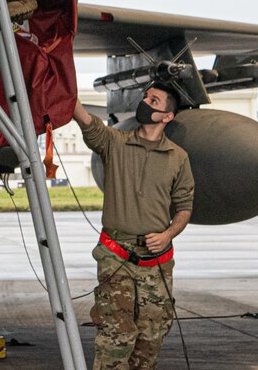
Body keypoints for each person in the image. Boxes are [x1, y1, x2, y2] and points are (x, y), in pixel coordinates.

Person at [72, 84, 195, 370]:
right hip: (116, 256)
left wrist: (167, 235)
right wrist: (69, 97)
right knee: (116, 336)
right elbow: (88, 122)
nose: (145, 103)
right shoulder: (115, 143)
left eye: (153, 100)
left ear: (167, 116)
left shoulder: (178, 158)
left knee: (151, 339)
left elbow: (184, 208)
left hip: (156, 262)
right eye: (145, 98)